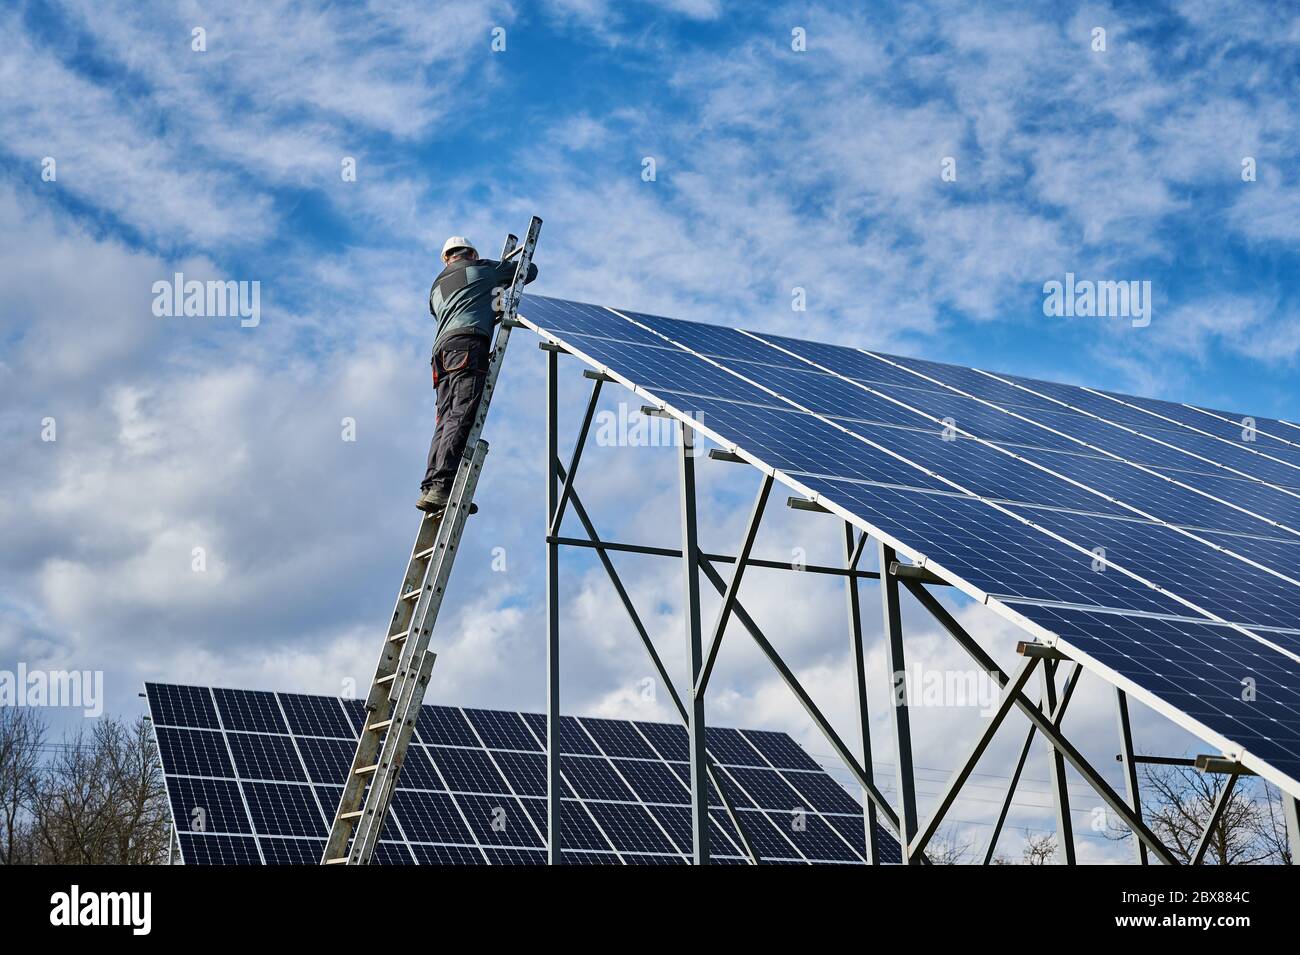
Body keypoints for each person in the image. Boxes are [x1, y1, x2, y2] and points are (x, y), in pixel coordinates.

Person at [417, 235, 538, 514]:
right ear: (470, 253)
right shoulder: (482, 269)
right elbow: (528, 271)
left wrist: (488, 301)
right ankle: (442, 486)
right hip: (468, 345)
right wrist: (495, 284)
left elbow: (439, 312)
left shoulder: (435, 288)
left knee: (445, 418)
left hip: (441, 352)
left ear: (447, 258)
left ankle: (431, 485)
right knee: (462, 413)